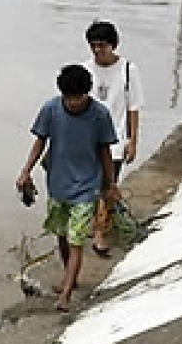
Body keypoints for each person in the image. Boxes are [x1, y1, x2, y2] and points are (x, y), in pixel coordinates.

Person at [17, 65, 119, 313]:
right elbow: (40, 142)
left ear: (87, 94)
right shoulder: (51, 110)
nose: (73, 103)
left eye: (78, 98)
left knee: (76, 240)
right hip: (58, 185)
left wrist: (110, 183)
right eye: (68, 98)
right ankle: (68, 276)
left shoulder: (99, 115)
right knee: (62, 235)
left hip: (86, 187)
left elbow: (105, 150)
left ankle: (66, 294)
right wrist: (26, 171)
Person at [83, 20, 144, 257]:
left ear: (113, 45)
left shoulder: (129, 71)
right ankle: (96, 222)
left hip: (115, 140)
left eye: (102, 45)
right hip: (88, 140)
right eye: (93, 46)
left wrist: (133, 140)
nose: (98, 50)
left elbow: (133, 107)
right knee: (91, 186)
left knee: (107, 185)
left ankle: (99, 232)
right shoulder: (85, 70)